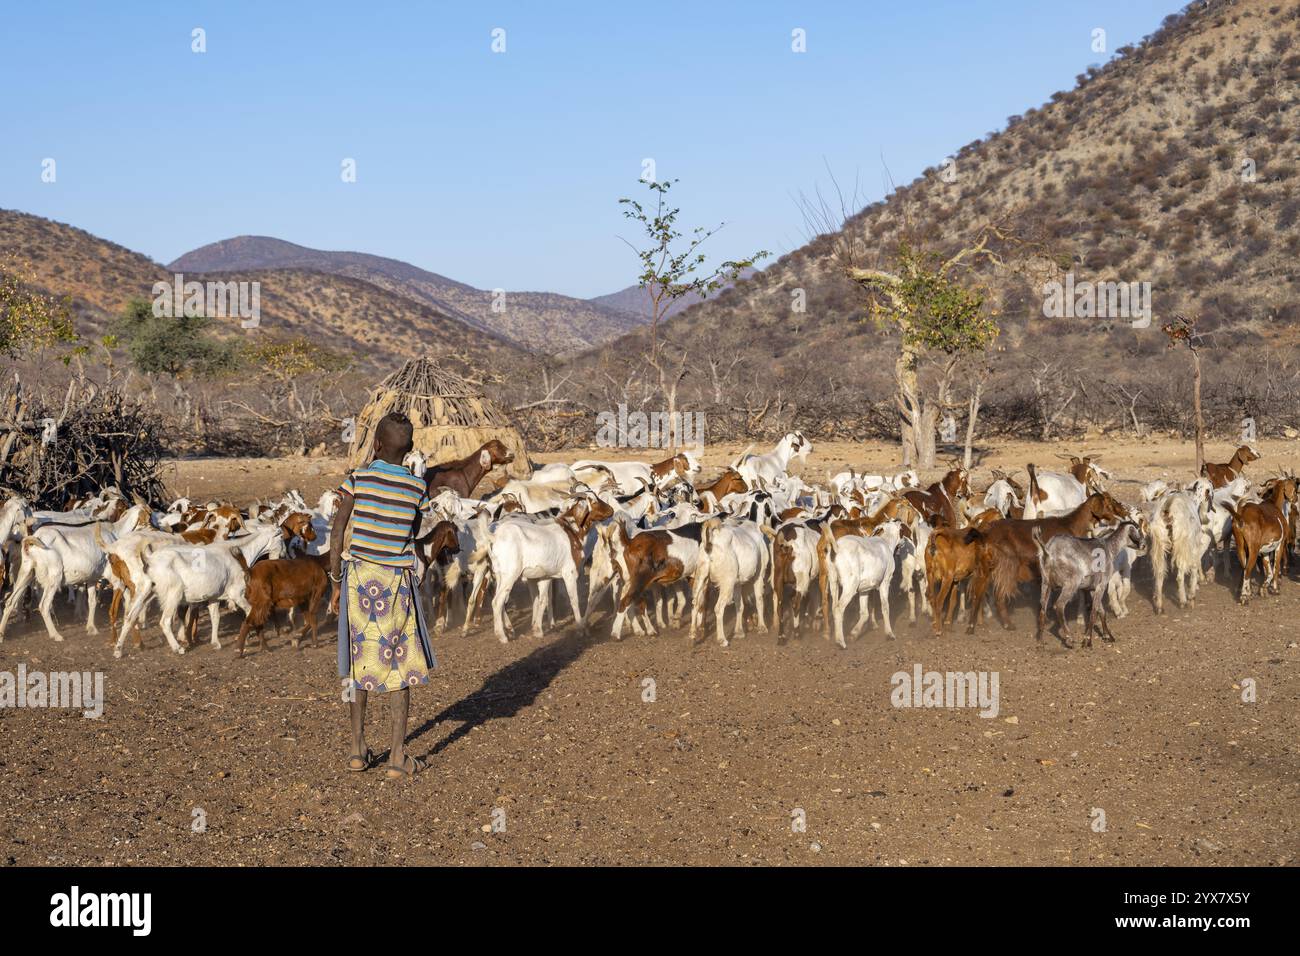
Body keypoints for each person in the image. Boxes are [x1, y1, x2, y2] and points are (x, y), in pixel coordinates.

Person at [329, 412, 434, 778]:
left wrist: (335, 581)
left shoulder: (358, 479)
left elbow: (338, 528)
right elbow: (417, 532)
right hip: (395, 582)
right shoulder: (418, 489)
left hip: (358, 578)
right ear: (408, 452)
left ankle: (357, 751)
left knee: (360, 663)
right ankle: (396, 757)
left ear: (375, 444)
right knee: (398, 664)